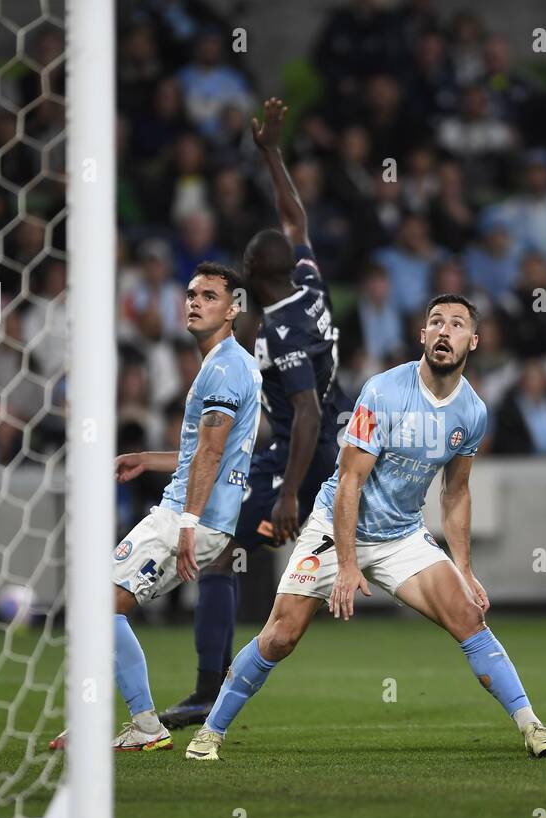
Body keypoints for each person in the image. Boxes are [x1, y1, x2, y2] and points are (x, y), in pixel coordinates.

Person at [183, 294, 546, 761]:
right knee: (280, 637)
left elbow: (456, 492)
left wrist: (463, 567)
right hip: (336, 526)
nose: (445, 331)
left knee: (469, 616)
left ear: (474, 341)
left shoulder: (473, 412)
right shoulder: (383, 392)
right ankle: (211, 733)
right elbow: (349, 482)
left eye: (457, 324)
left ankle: (532, 727)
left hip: (401, 535)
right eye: (436, 322)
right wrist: (346, 564)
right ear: (422, 335)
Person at [157, 99, 351, 731]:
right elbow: (295, 218)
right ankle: (209, 687)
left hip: (313, 451)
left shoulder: (281, 332)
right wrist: (270, 152)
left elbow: (304, 412)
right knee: (223, 548)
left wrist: (290, 494)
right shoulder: (308, 281)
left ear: (254, 281)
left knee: (220, 546)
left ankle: (209, 689)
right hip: (324, 438)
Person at [48, 262, 261, 752]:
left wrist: (187, 523)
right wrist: (150, 460)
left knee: (97, 603)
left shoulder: (224, 368)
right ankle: (104, 720)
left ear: (233, 310)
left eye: (209, 296)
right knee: (106, 606)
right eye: (190, 294)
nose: (194, 302)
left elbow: (210, 453)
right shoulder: (232, 363)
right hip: (204, 517)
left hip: (189, 516)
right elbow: (204, 453)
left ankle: (143, 724)